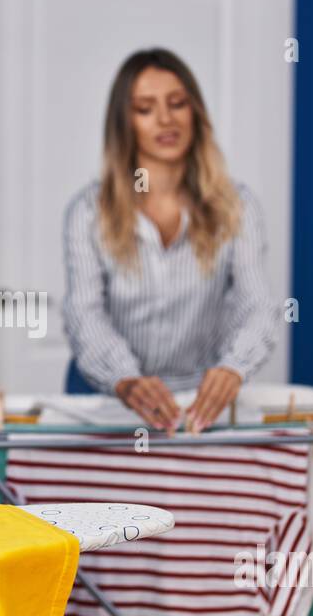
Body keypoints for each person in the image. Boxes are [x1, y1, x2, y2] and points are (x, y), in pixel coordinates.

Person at [61, 48, 278, 429]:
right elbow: (84, 312)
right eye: (145, 108)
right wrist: (127, 380)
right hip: (106, 401)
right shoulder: (88, 212)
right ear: (124, 123)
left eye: (177, 103)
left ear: (195, 112)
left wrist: (233, 367)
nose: (165, 119)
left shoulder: (237, 207)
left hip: (195, 405)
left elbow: (258, 304)